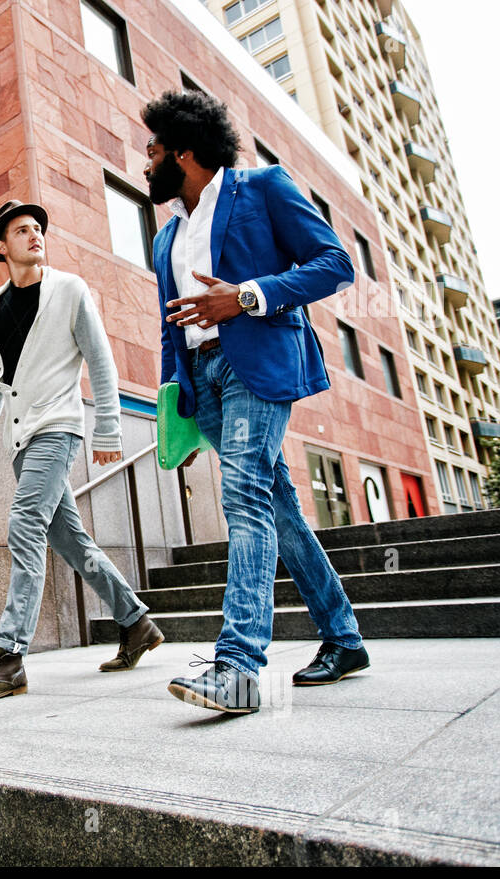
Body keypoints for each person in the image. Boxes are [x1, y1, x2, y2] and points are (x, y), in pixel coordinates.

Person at [141, 90, 369, 714]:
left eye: (153, 151)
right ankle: (345, 639)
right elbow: (171, 328)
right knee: (280, 509)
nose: (146, 163)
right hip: (204, 379)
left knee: (243, 497)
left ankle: (238, 666)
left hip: (259, 362)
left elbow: (335, 264)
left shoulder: (262, 188)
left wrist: (244, 296)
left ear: (184, 152)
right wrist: (177, 406)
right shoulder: (166, 241)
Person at [0, 200, 164, 699]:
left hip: (59, 428)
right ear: (1, 246)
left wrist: (108, 429)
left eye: (38, 229)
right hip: (21, 441)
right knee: (71, 541)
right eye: (22, 231)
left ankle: (8, 657)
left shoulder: (69, 289)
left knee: (24, 525)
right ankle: (135, 622)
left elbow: (100, 361)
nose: (35, 235)